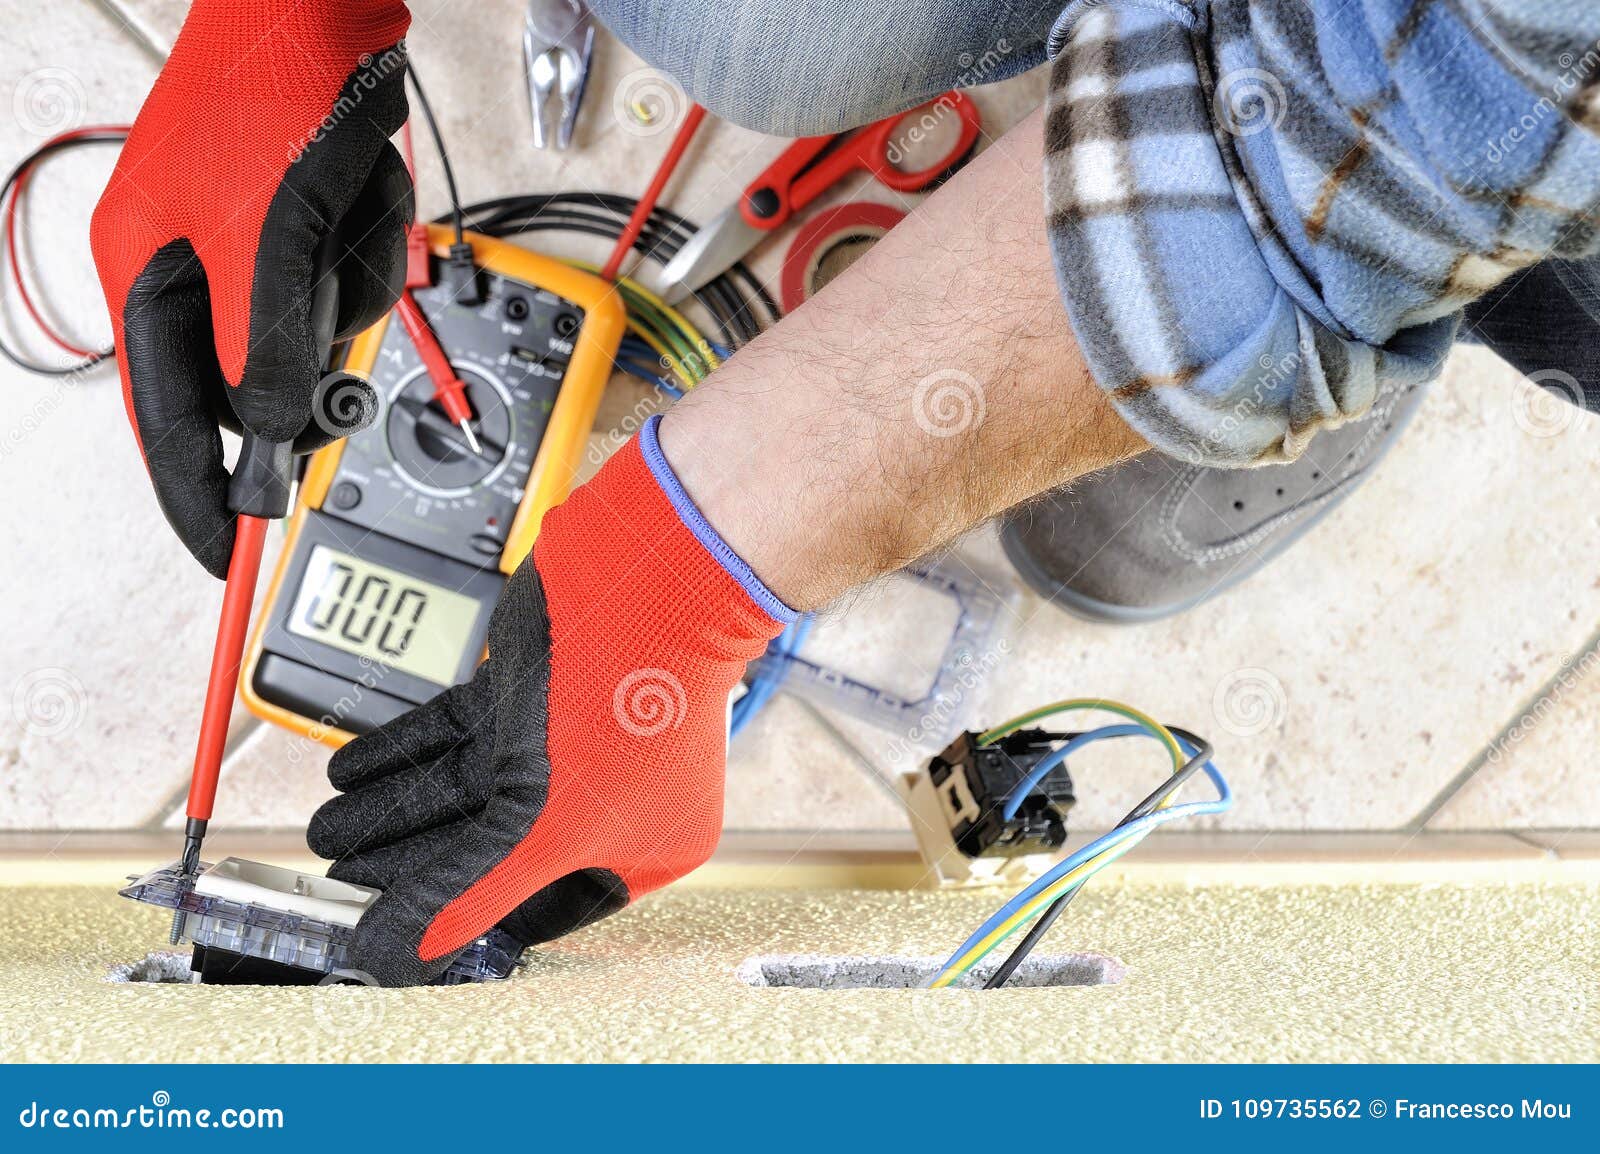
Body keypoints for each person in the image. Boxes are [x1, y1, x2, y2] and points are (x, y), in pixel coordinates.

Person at [88, 0, 1600, 985]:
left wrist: (687, 578)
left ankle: (1390, 317)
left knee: (1146, 495)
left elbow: (1393, 139)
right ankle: (1242, 338)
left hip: (1490, 92)